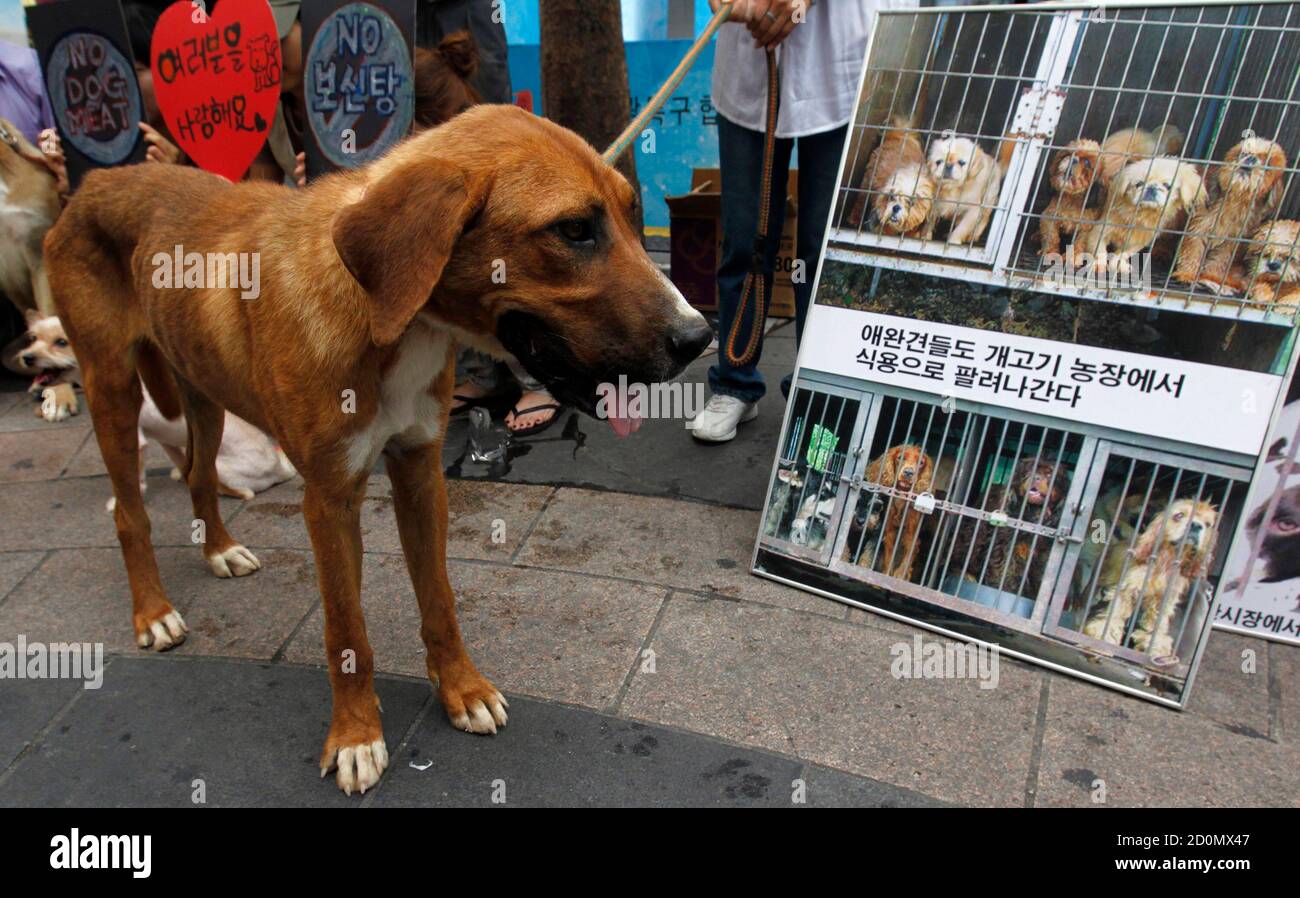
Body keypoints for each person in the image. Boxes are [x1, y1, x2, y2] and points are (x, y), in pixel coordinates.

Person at [689, 0, 876, 442]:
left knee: (823, 250)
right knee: (745, 237)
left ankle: (819, 394)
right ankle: (735, 381)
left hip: (840, 66)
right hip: (749, 63)